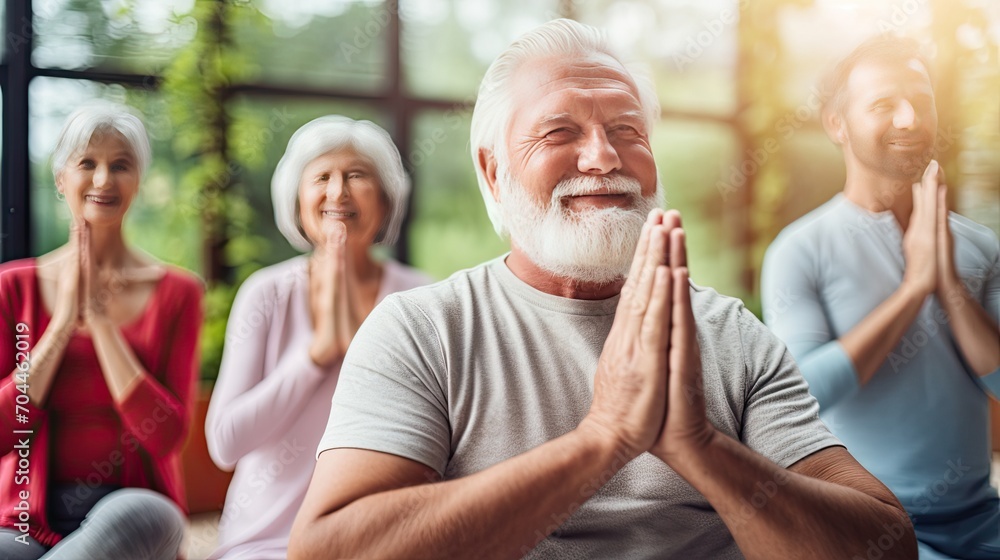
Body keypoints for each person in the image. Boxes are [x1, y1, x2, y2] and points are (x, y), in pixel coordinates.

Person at [288, 19, 917, 559]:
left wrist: (701, 449)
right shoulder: (422, 329)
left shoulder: (731, 334)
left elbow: (887, 543)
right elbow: (332, 549)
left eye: (627, 132)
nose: (603, 158)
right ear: (493, 169)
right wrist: (604, 439)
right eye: (559, 133)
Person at [762, 36, 1000, 559]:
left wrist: (950, 288)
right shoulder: (799, 251)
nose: (910, 119)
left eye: (922, 101)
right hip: (866, 529)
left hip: (983, 519)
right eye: (883, 104)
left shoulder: (980, 246)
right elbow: (805, 393)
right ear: (837, 124)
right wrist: (914, 289)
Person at [205, 115, 430, 559]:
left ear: (385, 202)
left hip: (382, 540)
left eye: (357, 176)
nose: (337, 192)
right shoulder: (266, 294)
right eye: (322, 177)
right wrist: (314, 356)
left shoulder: (422, 296)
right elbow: (225, 443)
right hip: (267, 542)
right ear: (297, 200)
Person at [0, 103, 202, 559]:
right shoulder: (13, 286)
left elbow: (166, 436)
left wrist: (101, 323)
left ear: (138, 182)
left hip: (134, 509)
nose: (104, 179)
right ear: (60, 179)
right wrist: (63, 323)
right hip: (25, 519)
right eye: (87, 163)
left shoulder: (178, 292)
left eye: (121, 165)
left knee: (144, 518)